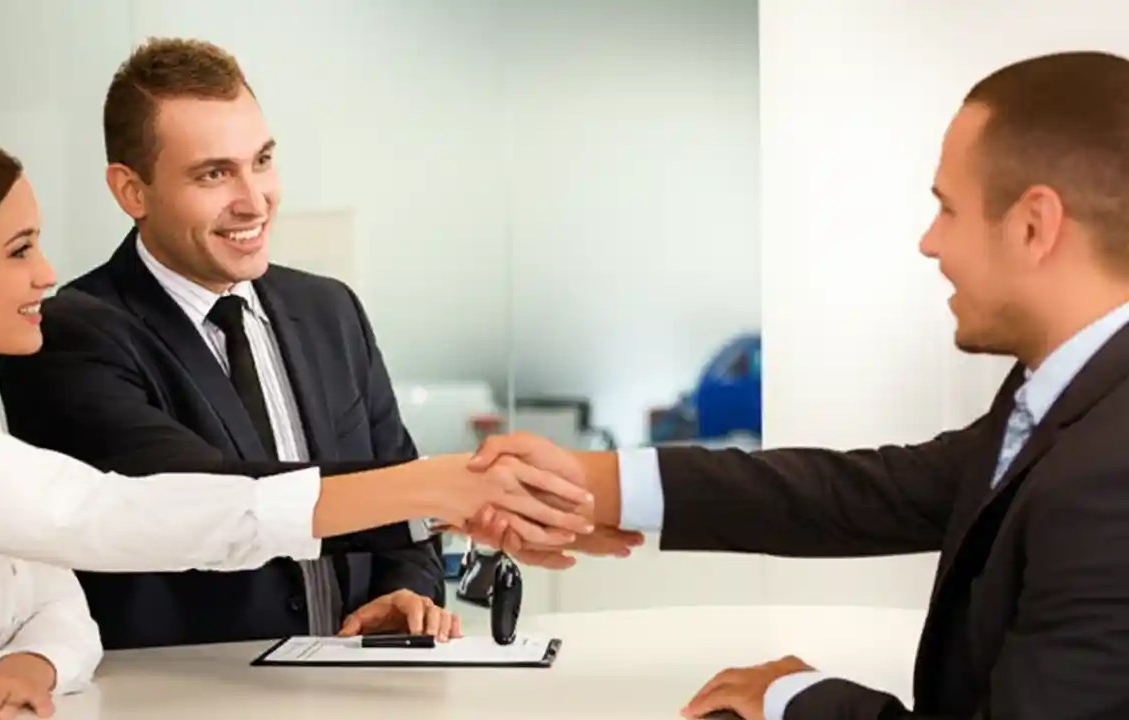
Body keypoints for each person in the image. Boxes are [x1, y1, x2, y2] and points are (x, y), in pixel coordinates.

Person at [473, 51, 1129, 719]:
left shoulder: (1109, 472)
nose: (930, 243)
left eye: (948, 210)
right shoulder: (1067, 404)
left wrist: (798, 698)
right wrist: (589, 484)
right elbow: (863, 494)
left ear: (1033, 227)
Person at [0, 131, 590, 720]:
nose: (46, 272)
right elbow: (115, 517)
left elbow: (59, 606)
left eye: (261, 160)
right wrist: (433, 486)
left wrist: (28, 663)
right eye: (19, 251)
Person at [0, 37, 465, 650]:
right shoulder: (67, 337)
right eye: (214, 173)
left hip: (356, 689)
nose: (255, 199)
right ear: (131, 191)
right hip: (186, 700)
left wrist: (405, 593)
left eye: (262, 161)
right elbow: (216, 500)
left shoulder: (330, 311)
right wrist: (442, 490)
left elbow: (394, 482)